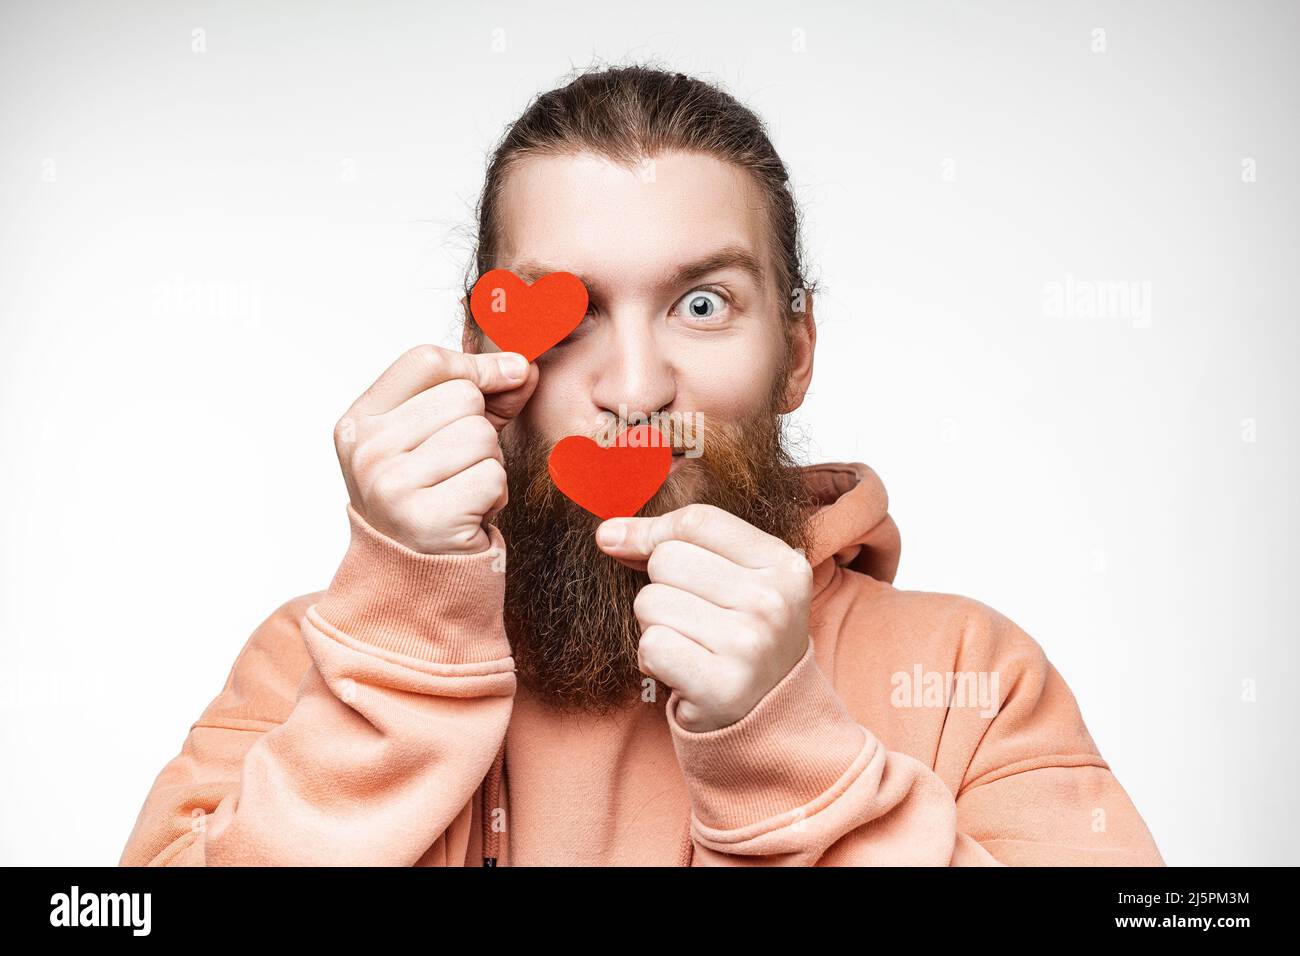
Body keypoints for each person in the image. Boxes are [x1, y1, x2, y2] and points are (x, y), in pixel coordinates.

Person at [118, 64, 1164, 866]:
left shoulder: (969, 676)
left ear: (795, 351)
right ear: (487, 353)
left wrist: (794, 754)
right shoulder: (324, 654)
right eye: (565, 316)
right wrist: (405, 654)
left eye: (700, 304)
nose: (633, 388)